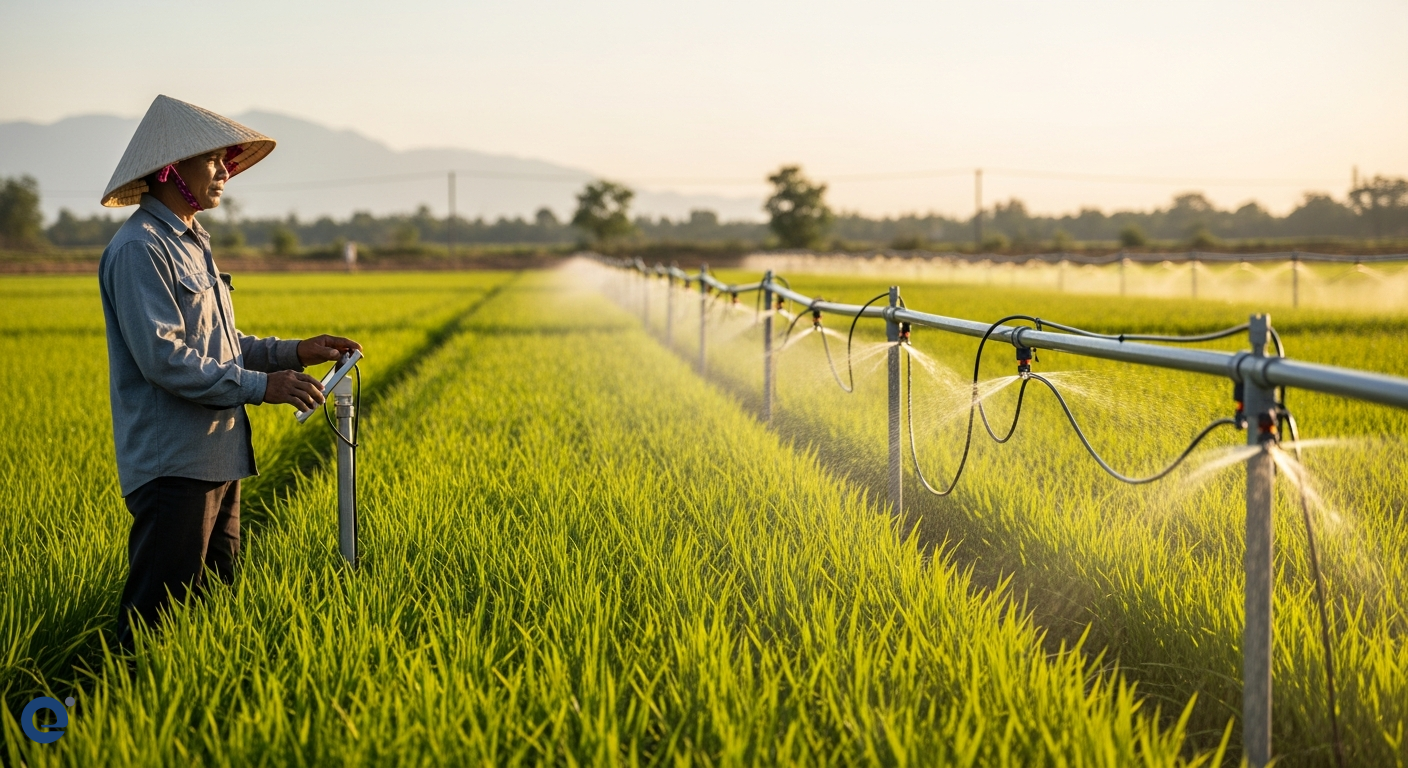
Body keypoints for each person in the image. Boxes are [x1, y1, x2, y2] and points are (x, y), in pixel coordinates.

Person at [97, 95, 361, 648]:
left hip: (219, 459)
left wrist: (293, 352)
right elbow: (165, 359)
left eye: (225, 160)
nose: (225, 171)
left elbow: (222, 345)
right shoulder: (140, 250)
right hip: (175, 471)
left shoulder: (192, 244)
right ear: (170, 169)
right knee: (154, 628)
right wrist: (264, 387)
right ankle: (108, 722)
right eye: (212, 159)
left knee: (208, 623)